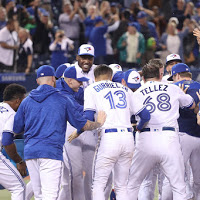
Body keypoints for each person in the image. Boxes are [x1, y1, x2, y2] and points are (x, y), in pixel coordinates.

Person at [13, 65, 106, 200]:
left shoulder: (26, 101)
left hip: (30, 153)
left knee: (39, 196)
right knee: (50, 196)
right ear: (53, 79)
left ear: (37, 81)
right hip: (50, 152)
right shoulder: (62, 99)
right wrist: (99, 123)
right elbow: (83, 124)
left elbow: (16, 129)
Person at [69, 64, 150, 199]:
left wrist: (78, 132)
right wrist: (140, 127)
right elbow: (146, 115)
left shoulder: (91, 88)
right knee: (122, 186)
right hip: (128, 137)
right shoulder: (125, 89)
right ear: (111, 77)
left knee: (98, 185)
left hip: (108, 138)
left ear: (95, 78)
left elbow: (88, 118)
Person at [127, 62, 195, 200]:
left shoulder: (137, 92)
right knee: (178, 187)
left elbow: (133, 117)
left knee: (133, 184)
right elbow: (191, 104)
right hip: (169, 138)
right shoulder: (173, 88)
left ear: (143, 78)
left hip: (146, 138)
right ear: (160, 75)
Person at [161, 63, 200, 200]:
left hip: (181, 135)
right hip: (198, 137)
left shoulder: (172, 88)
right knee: (198, 179)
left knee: (174, 175)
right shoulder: (199, 86)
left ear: (177, 75)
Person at [0, 83, 26, 200]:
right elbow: (7, 141)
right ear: (17, 101)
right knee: (18, 187)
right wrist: (19, 161)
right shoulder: (12, 115)